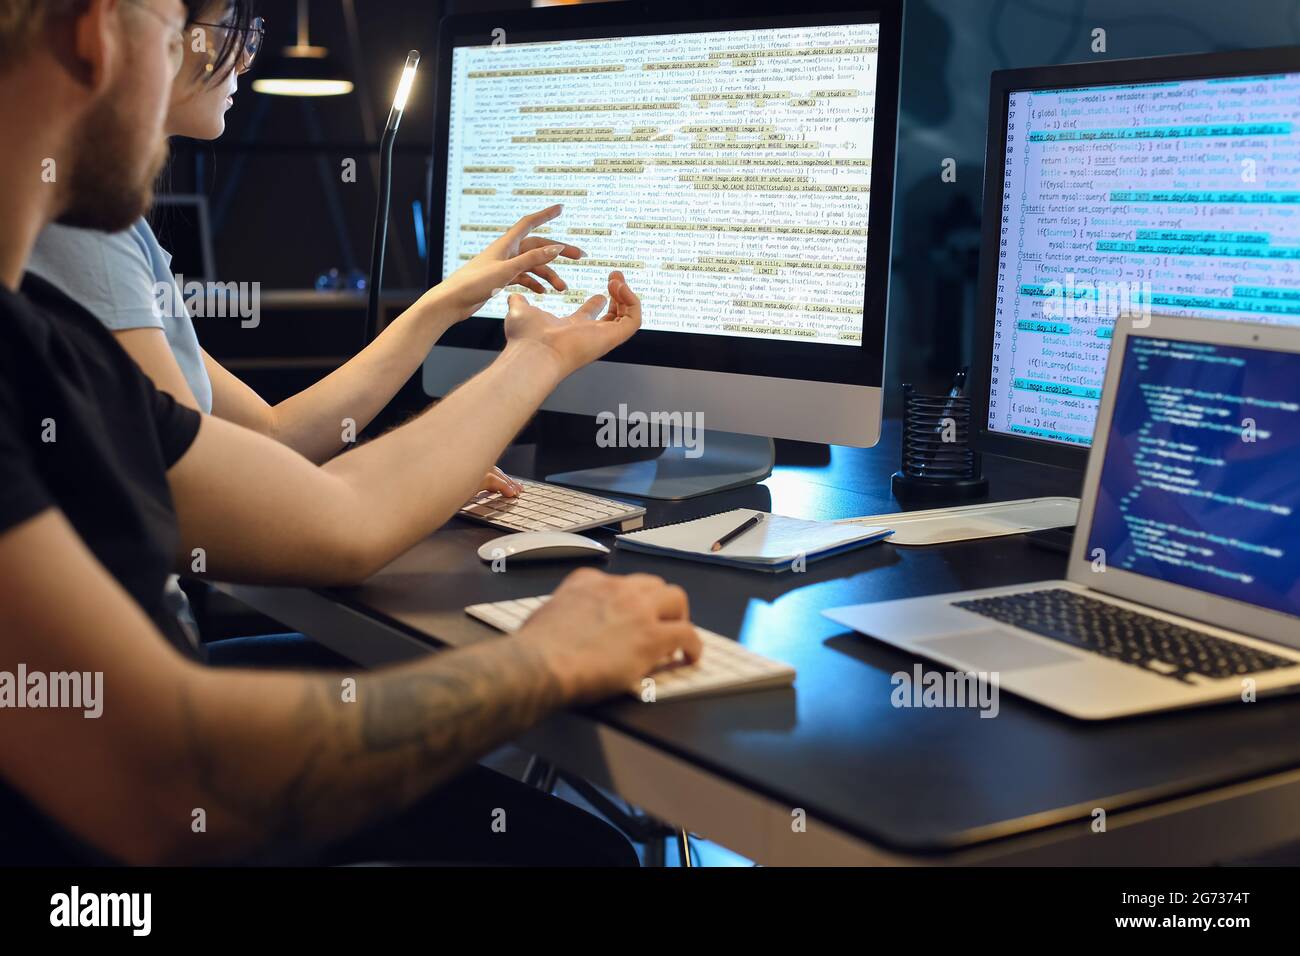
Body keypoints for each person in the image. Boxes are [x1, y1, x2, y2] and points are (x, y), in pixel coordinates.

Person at [0, 0, 702, 865]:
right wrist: (540, 663)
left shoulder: (48, 349)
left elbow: (318, 493)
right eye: (180, 19)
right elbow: (167, 775)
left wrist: (524, 352)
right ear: (100, 31)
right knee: (583, 855)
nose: (207, 52)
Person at [25, 0, 583, 659]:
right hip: (141, 686)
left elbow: (267, 437)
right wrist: (538, 354)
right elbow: (338, 529)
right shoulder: (83, 234)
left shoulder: (103, 232)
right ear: (104, 34)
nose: (247, 53)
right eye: (233, 25)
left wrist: (441, 303)